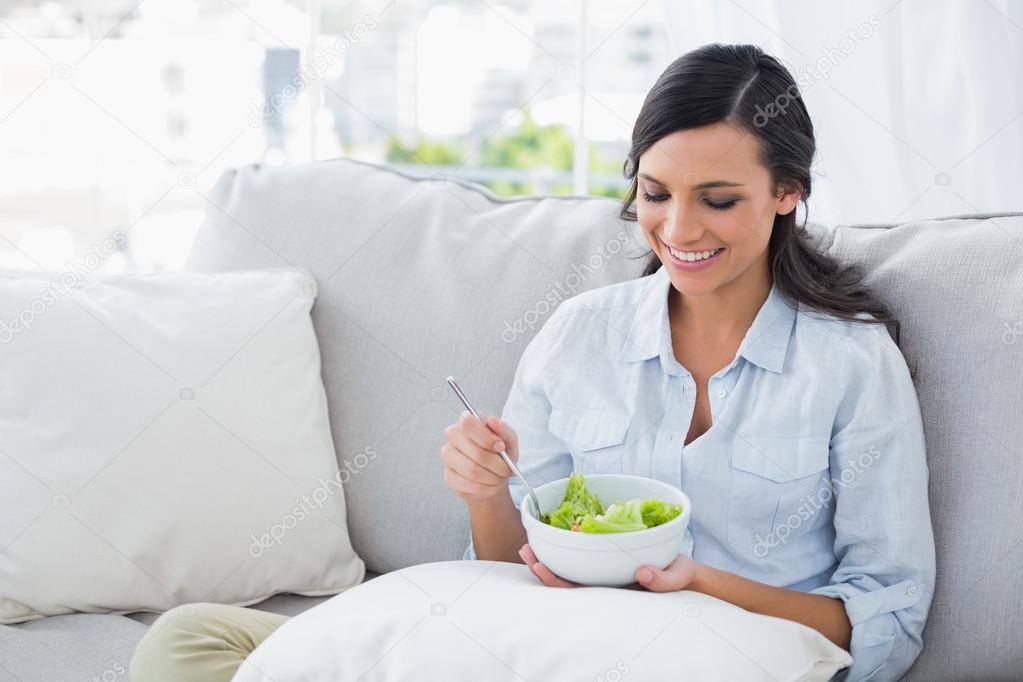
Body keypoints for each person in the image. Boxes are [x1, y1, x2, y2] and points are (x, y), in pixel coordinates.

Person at [443, 43, 935, 681]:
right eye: (655, 193)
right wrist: (485, 495)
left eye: (718, 200)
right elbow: (508, 574)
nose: (678, 230)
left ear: (787, 191)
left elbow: (887, 620)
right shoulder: (579, 336)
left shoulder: (851, 361)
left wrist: (702, 585)